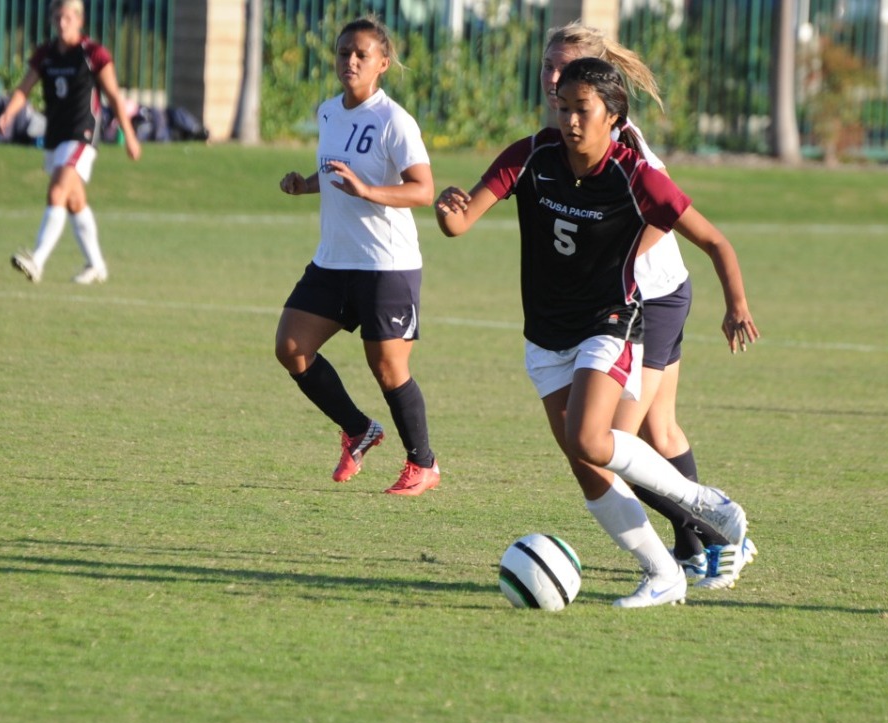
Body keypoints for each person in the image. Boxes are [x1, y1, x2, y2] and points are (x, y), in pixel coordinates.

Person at [435, 58, 759, 608]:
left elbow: (715, 241)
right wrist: (448, 210)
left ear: (612, 115)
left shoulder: (636, 177)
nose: (569, 121)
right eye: (562, 108)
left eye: (581, 110)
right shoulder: (532, 155)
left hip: (609, 323)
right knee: (586, 463)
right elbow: (460, 223)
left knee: (590, 437)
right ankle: (663, 574)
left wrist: (736, 304)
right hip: (544, 333)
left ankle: (704, 502)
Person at [540, 23, 758, 589]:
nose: (554, 78)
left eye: (566, 68)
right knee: (660, 432)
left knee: (610, 445)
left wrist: (608, 253)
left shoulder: (623, 144)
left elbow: (665, 214)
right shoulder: (567, 130)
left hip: (649, 298)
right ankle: (700, 547)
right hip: (640, 297)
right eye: (548, 67)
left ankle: (716, 535)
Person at [275, 16, 440, 496]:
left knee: (388, 369)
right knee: (291, 347)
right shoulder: (328, 112)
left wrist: (368, 190)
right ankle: (358, 429)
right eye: (344, 52)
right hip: (334, 260)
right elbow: (334, 172)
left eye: (361, 54)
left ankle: (423, 463)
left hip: (386, 264)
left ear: (382, 64)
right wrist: (304, 184)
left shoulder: (394, 121)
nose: (350, 60)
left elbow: (423, 190)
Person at [0, 0, 141, 285]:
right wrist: (7, 113)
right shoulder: (46, 55)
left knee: (57, 192)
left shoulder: (93, 54)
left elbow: (113, 95)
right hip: (56, 136)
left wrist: (130, 135)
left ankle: (37, 261)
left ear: (79, 20)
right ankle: (97, 265)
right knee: (75, 201)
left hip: (82, 134)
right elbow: (24, 89)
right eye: (57, 17)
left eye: (67, 18)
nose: (61, 23)